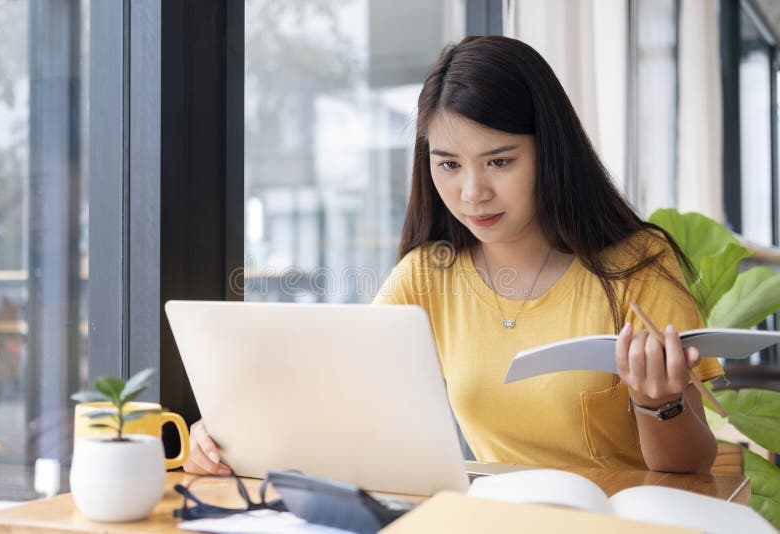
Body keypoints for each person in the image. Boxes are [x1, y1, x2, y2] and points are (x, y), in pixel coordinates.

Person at [184, 35, 721, 476]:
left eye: (499, 162)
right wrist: (232, 434)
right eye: (448, 165)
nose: (472, 193)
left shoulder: (635, 265)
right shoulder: (428, 275)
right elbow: (338, 400)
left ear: (550, 152)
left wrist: (659, 402)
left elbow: (692, 464)